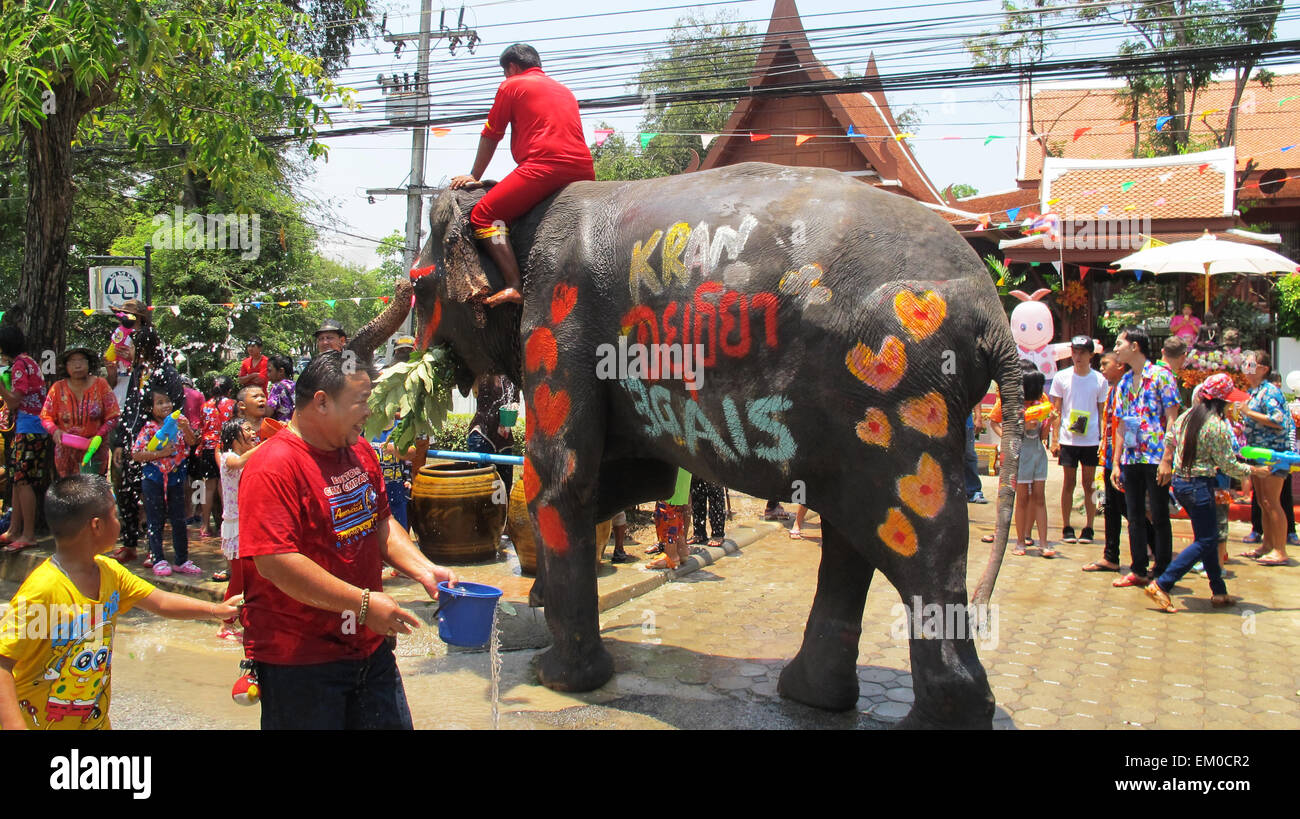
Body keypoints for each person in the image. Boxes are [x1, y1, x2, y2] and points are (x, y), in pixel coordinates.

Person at [237, 351, 459, 730]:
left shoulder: (359, 452)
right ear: (321, 402)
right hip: (301, 664)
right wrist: (364, 603)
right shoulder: (271, 467)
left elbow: (380, 524)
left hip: (370, 649)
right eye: (361, 402)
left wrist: (424, 569)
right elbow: (275, 562)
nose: (369, 412)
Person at [0, 475, 240, 730]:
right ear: (96, 526)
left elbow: (159, 601)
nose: (120, 522)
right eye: (114, 516)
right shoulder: (42, 590)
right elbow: (3, 662)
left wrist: (216, 610)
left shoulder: (109, 572)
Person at [449, 44, 595, 307]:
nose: (505, 78)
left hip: (544, 166)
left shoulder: (511, 85)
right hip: (584, 169)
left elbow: (492, 134)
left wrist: (474, 174)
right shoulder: (564, 90)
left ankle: (514, 285)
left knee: (484, 215)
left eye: (505, 73)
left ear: (512, 68)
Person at [1149, 375, 1267, 611]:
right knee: (1206, 540)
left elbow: (1169, 437)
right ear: (1221, 401)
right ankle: (1162, 584)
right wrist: (1255, 471)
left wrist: (1167, 460)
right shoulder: (1217, 426)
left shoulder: (1187, 415)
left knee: (1207, 536)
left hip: (1182, 484)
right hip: (1199, 486)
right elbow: (1229, 465)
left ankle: (1219, 590)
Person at [1110, 326, 1183, 587]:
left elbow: (1173, 419)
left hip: (1155, 457)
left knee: (1160, 514)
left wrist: (1167, 458)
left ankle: (1163, 571)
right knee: (1134, 515)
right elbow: (1119, 424)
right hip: (1131, 458)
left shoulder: (1162, 376)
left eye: (1120, 343)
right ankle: (1138, 568)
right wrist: (1115, 462)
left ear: (1135, 346)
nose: (1116, 349)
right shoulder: (1125, 382)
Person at [109, 325, 185, 564]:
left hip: (161, 446)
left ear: (144, 348)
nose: (129, 350)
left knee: (158, 499)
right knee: (126, 491)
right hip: (135, 442)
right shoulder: (138, 371)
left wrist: (166, 442)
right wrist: (121, 440)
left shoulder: (167, 373)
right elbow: (130, 407)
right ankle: (131, 542)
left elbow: (176, 409)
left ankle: (158, 551)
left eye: (133, 346)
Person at [131, 386, 199, 576]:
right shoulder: (148, 428)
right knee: (155, 519)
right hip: (154, 477)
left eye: (168, 401)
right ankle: (157, 558)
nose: (166, 405)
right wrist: (161, 453)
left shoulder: (178, 423)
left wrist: (186, 428)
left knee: (179, 519)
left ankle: (181, 560)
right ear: (150, 407)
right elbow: (136, 454)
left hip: (176, 477)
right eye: (159, 402)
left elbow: (192, 442)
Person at [1049, 335, 1107, 544]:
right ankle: (1066, 525)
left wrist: (1103, 439)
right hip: (1068, 438)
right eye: (1075, 351)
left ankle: (1090, 526)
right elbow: (1056, 410)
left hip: (1091, 439)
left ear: (1091, 354)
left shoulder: (1099, 380)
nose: (1078, 356)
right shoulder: (1062, 377)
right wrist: (1054, 439)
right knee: (1068, 483)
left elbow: (1102, 413)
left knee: (1090, 484)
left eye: (1082, 352)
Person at [1239, 349, 1294, 566]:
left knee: (1272, 501)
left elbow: (1277, 420)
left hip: (1273, 454)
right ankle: (1268, 545)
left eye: (1250, 365)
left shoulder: (1269, 391)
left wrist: (1248, 412)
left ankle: (1280, 550)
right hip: (1258, 452)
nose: (1246, 368)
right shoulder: (1255, 391)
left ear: (1263, 368)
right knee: (1262, 501)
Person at [0, 322, 49, 553]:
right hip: (30, 427)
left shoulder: (20, 365)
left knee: (23, 480)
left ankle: (28, 534)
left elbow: (14, 401)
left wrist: (1, 386)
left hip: (30, 427)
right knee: (17, 479)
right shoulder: (29, 362)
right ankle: (14, 529)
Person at [215, 420, 264, 629]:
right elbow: (239, 462)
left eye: (253, 429)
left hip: (248, 523)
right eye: (248, 430)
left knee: (250, 577)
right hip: (236, 526)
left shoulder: (248, 458)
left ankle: (242, 621)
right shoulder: (229, 457)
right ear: (234, 437)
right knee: (239, 579)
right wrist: (269, 442)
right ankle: (225, 624)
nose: (253, 433)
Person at [40, 347, 118, 478]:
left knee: (93, 492)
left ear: (89, 363)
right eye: (72, 361)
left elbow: (113, 416)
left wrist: (99, 435)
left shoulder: (101, 384)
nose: (77, 365)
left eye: (81, 360)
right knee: (68, 493)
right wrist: (55, 431)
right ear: (66, 366)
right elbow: (45, 417)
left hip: (94, 451)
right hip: (66, 454)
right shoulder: (57, 388)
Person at [195, 376, 236, 538]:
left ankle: (205, 526)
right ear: (229, 390)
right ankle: (225, 525)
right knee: (224, 486)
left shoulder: (205, 405)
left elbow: (201, 427)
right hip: (224, 449)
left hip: (207, 448)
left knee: (208, 488)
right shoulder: (232, 405)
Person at [466, 373, 517, 491]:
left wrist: (514, 407)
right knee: (481, 490)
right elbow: (467, 388)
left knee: (503, 492)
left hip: (504, 440)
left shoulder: (513, 374)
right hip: (482, 436)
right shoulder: (483, 369)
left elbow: (515, 400)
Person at [648, 469, 692, 570]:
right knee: (677, 507)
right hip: (683, 465)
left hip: (672, 467)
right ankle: (681, 548)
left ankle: (671, 553)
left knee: (666, 507)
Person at [965, 406, 988, 504]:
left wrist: (978, 417)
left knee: (969, 455)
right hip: (941, 422)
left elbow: (976, 395)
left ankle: (973, 491)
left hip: (966, 423)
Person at [265, 355, 296, 422]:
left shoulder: (277, 387)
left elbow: (268, 412)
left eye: (269, 371)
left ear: (281, 371)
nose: (267, 374)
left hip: (283, 426)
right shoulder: (295, 384)